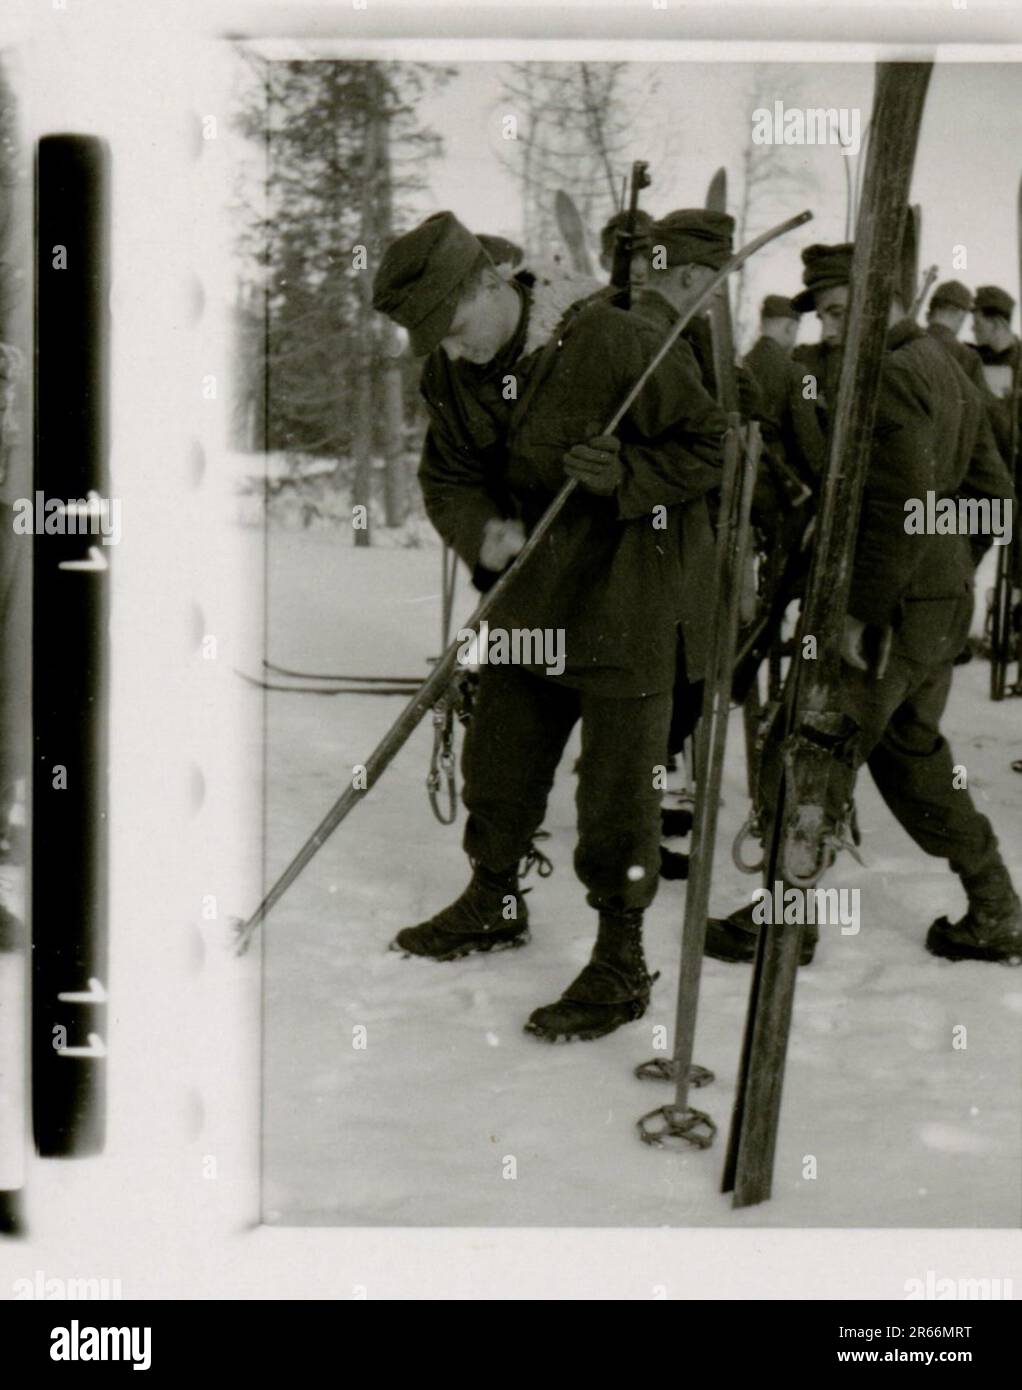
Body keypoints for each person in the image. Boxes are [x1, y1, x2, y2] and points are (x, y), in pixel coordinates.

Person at [372, 211, 727, 1041]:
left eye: (456, 328)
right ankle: (493, 897)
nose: (453, 351)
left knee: (616, 794)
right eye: (438, 342)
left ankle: (620, 955)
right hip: (532, 596)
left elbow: (711, 447)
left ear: (493, 283)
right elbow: (449, 474)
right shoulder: (453, 374)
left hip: (630, 596)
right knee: (498, 758)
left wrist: (629, 471)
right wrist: (482, 530)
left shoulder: (614, 342)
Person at [706, 242, 1022, 967]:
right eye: (827, 315)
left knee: (815, 740)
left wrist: (866, 608)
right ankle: (996, 905)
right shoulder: (949, 364)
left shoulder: (885, 375)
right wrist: (948, 570)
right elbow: (993, 498)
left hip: (882, 605)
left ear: (887, 298)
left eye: (847, 311)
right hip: (935, 603)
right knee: (910, 752)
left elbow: (898, 502)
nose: (834, 328)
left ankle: (788, 919)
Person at [924, 280, 986, 389]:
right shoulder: (968, 358)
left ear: (930, 313)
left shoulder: (904, 345)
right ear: (960, 314)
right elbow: (981, 404)